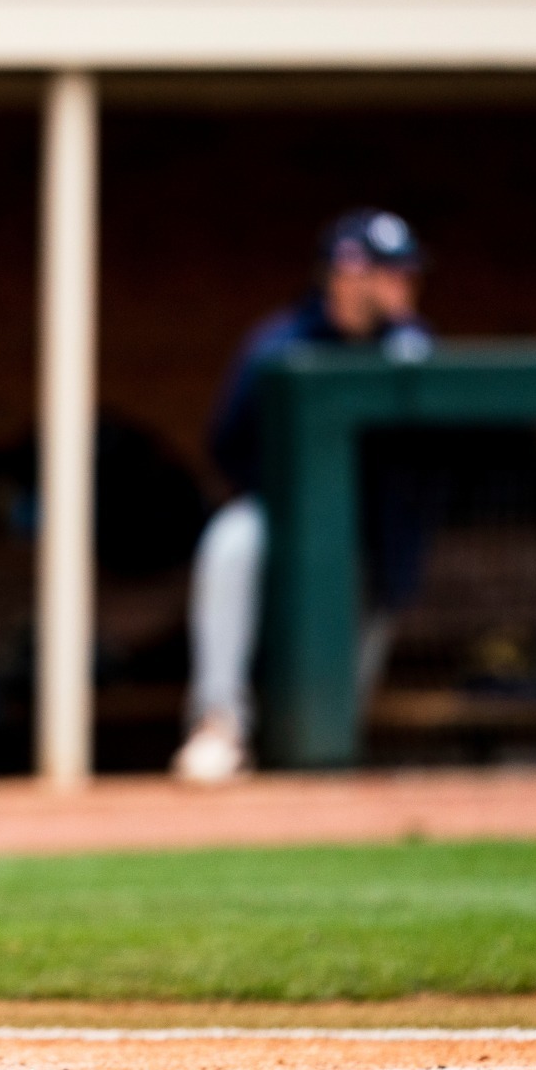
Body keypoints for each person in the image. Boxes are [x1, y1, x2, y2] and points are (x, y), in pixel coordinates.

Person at [174, 209, 436, 784]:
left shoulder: (414, 350)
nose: (403, 285)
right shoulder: (279, 341)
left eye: (405, 272)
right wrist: (291, 497)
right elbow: (225, 442)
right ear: (347, 274)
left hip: (373, 530)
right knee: (231, 542)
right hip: (281, 512)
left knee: (334, 729)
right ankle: (220, 725)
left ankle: (325, 760)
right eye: (387, 272)